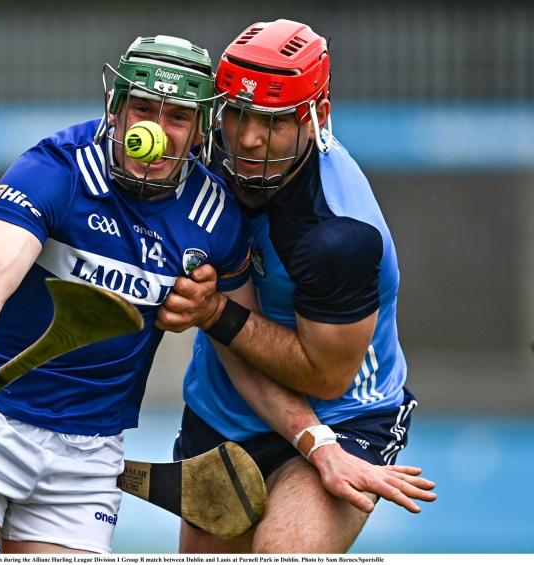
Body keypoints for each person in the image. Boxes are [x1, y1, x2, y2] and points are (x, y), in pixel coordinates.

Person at [0, 33, 432, 555]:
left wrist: (319, 441)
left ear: (197, 129)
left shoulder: (245, 219)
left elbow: (257, 352)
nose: (156, 129)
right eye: (143, 108)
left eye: (176, 116)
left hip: (95, 451)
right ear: (115, 109)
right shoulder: (57, 170)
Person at [157, 20, 436, 553]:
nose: (248, 138)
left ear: (317, 117)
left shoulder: (337, 235)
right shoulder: (203, 156)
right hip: (223, 410)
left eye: (274, 121)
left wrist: (213, 312)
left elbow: (326, 377)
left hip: (346, 412)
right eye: (235, 114)